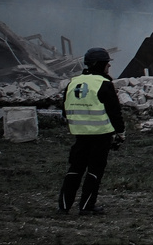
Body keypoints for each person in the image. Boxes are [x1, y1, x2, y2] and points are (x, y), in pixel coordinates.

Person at [59, 47, 125, 215]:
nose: (109, 66)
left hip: (79, 135)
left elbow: (64, 110)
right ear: (99, 64)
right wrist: (120, 132)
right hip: (100, 135)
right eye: (107, 63)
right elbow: (114, 111)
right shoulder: (103, 83)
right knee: (94, 171)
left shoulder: (73, 82)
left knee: (75, 169)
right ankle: (87, 206)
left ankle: (64, 206)